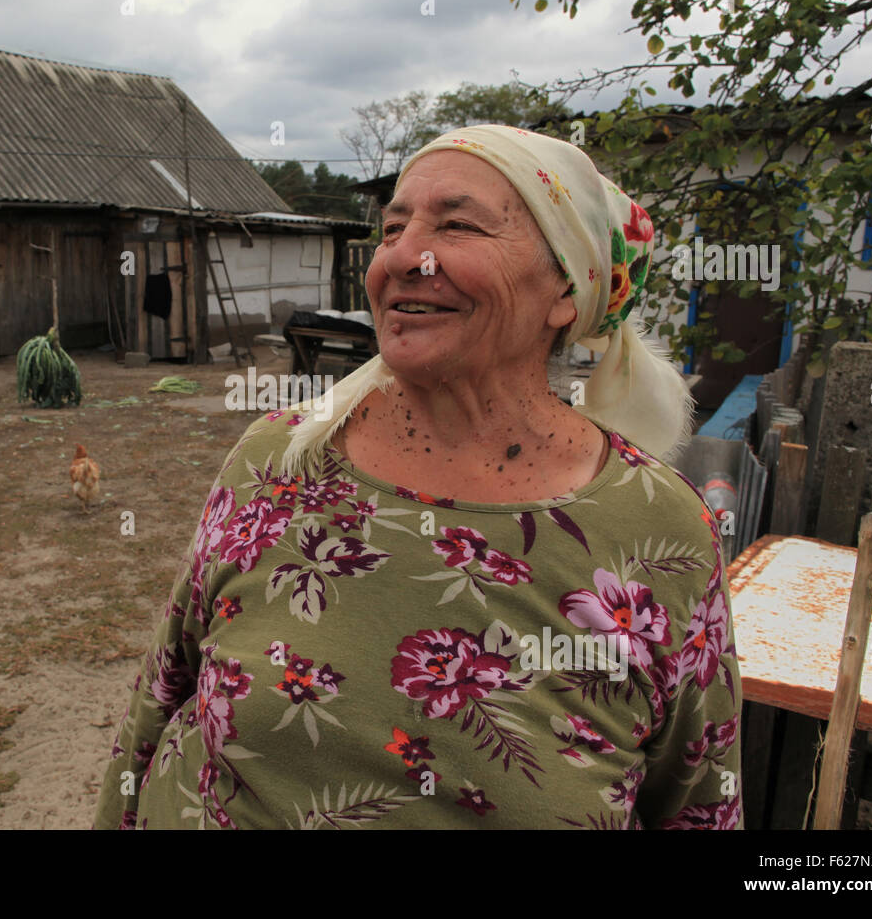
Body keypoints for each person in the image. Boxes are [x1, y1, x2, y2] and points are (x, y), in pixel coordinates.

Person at [94, 124, 742, 829]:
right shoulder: (276, 461)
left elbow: (699, 806)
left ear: (567, 290)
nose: (403, 255)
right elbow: (159, 701)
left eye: (458, 225)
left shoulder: (659, 530)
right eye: (394, 226)